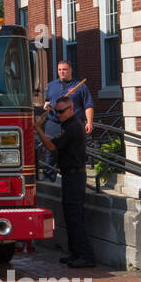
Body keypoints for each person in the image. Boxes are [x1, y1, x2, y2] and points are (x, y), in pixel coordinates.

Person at [33, 97, 95, 268]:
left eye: (62, 111)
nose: (58, 115)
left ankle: (86, 256)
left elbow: (51, 146)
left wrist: (38, 128)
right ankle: (75, 253)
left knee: (75, 217)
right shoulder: (68, 125)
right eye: (56, 112)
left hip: (75, 176)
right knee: (70, 216)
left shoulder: (73, 127)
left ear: (71, 108)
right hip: (69, 175)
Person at [44, 61, 94, 138]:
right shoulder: (50, 86)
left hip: (73, 125)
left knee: (73, 149)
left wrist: (89, 122)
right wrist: (46, 106)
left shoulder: (80, 86)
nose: (61, 72)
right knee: (52, 148)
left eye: (64, 69)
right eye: (59, 70)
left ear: (70, 70)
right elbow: (47, 101)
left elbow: (88, 105)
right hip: (53, 124)